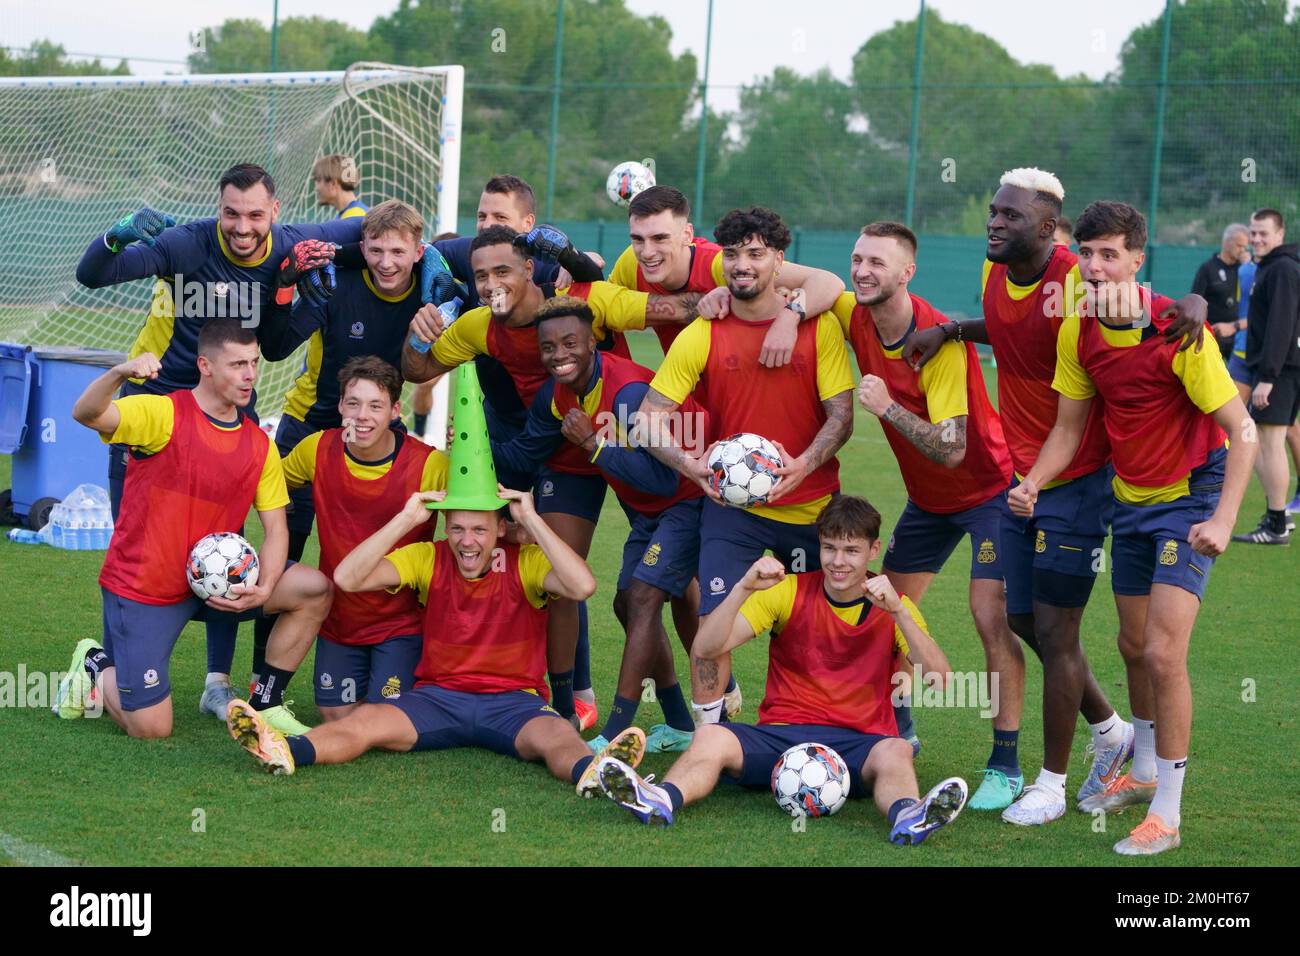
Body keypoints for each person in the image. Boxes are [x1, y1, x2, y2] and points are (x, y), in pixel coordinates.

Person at [903, 167, 1207, 825]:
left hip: (1081, 478)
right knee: (1019, 619)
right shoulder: (996, 271)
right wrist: (954, 329)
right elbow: (1007, 329)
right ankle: (1112, 730)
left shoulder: (1077, 277)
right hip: (1025, 478)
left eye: (1009, 216)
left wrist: (1195, 305)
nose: (994, 222)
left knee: (1055, 628)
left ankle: (1050, 782)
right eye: (993, 210)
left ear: (1047, 229)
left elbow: (1142, 304)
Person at [225, 365, 644, 794]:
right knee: (362, 723)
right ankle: (286, 750)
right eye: (457, 527)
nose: (467, 541)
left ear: (501, 528)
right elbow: (348, 578)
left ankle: (597, 773)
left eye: (480, 529)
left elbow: (583, 586)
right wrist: (407, 517)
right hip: (436, 700)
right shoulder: (429, 556)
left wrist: (532, 521)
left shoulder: (526, 562)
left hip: (514, 704)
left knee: (557, 739)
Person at [74, 162, 365, 719]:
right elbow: (94, 275)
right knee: (138, 552)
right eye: (231, 213)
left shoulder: (292, 246)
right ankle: (108, 671)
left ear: (275, 213)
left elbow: (368, 234)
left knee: (224, 550)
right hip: (155, 418)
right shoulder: (185, 245)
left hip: (230, 424)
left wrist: (436, 256)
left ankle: (216, 684)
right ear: (219, 207)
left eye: (255, 214)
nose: (242, 226)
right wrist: (118, 231)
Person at [1010, 200, 1256, 855]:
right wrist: (1034, 481)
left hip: (1193, 498)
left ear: (1137, 259)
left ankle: (1167, 816)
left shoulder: (1177, 328)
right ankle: (1143, 771)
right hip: (1132, 499)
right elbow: (1068, 427)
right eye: (1085, 252)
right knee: (1130, 642)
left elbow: (1244, 431)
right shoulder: (1078, 328)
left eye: (1109, 253)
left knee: (1162, 654)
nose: (1093, 266)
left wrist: (1226, 519)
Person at [401, 227, 701, 729]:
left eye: (502, 272)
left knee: (671, 584)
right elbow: (416, 369)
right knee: (566, 579)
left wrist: (754, 299)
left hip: (633, 444)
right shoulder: (481, 329)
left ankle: (709, 703)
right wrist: (421, 330)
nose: (491, 284)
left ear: (528, 269)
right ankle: (566, 706)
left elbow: (683, 309)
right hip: (563, 453)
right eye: (480, 276)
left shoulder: (589, 299)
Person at [592, 496, 968, 846]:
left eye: (852, 550)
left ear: (872, 550)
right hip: (781, 736)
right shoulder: (787, 591)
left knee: (897, 750)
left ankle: (910, 817)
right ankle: (659, 799)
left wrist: (900, 613)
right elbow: (706, 648)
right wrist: (742, 587)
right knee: (712, 738)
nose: (839, 561)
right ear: (819, 545)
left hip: (859, 742)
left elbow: (939, 680)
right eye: (830, 548)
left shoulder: (894, 606)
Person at [54, 319, 332, 739]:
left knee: (314, 588)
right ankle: (93, 663)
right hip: (145, 586)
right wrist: (118, 374)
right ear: (205, 365)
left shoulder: (258, 444)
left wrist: (264, 585)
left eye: (253, 363)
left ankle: (267, 701)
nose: (250, 375)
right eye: (237, 364)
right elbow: (85, 413)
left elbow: (276, 530)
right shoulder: (161, 413)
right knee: (151, 729)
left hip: (215, 585)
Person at [638, 206, 855, 726]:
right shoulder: (704, 331)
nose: (742, 264)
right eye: (733, 254)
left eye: (756, 253)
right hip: (732, 511)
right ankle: (710, 735)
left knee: (822, 627)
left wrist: (802, 465)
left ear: (780, 260)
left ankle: (837, 723)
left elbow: (842, 416)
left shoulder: (818, 326)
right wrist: (691, 467)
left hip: (810, 506)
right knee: (713, 622)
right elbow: (647, 419)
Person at [838, 221, 1023, 810]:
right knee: (882, 605)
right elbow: (807, 281)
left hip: (989, 492)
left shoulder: (938, 342)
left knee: (989, 617)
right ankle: (899, 732)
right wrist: (792, 311)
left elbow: (951, 447)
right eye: (858, 258)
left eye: (878, 262)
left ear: (907, 273)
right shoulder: (856, 313)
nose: (863, 271)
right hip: (929, 502)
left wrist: (886, 407)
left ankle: (1006, 763)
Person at [489, 296, 707, 753]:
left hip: (688, 502)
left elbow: (665, 480)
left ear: (593, 343)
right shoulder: (556, 395)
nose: (558, 355)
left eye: (570, 343)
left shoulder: (627, 394)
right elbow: (524, 456)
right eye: (548, 347)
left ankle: (613, 731)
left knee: (645, 597)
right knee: (627, 605)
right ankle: (682, 725)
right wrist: (472, 445)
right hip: (650, 515)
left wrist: (592, 444)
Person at [279, 357, 447, 720]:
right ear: (340, 406)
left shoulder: (429, 465)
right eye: (353, 403)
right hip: (340, 620)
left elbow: (472, 524)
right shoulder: (315, 450)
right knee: (336, 717)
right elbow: (268, 485)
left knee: (384, 719)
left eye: (375, 405)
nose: (362, 415)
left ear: (395, 410)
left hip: (401, 625)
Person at [609, 184, 845, 365]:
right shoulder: (631, 261)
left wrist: (788, 319)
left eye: (660, 238)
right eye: (637, 239)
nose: (647, 252)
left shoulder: (721, 263)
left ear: (686, 234)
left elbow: (828, 281)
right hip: (687, 393)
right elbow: (601, 305)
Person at [1232, 208, 1300, 545]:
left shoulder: (1283, 268)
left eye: (1264, 234)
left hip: (1281, 371)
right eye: (1253, 233)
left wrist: (1269, 376)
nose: (1257, 239)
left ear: (1280, 234)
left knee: (1270, 443)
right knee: (1260, 439)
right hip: (1276, 369)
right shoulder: (1269, 267)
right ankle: (1279, 518)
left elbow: (1282, 325)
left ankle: (1277, 523)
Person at [1192, 223, 1251, 361]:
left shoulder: (1245, 269)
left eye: (1245, 247)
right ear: (1226, 243)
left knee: (1236, 378)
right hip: (1213, 333)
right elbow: (1195, 300)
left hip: (1238, 333)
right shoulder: (1208, 268)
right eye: (1239, 245)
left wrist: (1248, 266)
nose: (1242, 251)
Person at [311, 154, 367, 219]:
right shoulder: (348, 214)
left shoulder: (356, 216)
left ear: (333, 184)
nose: (316, 188)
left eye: (318, 180)